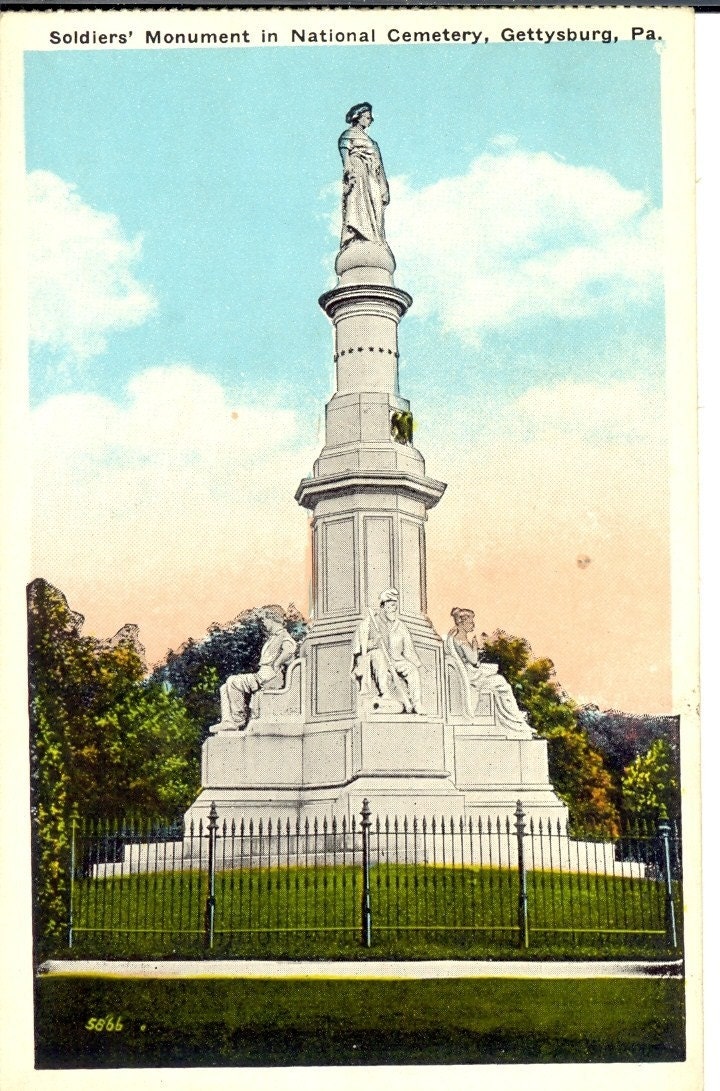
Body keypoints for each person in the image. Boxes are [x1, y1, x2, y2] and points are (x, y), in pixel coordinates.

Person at [447, 608, 529, 731]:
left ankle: (514, 716)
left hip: (473, 673)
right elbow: (474, 660)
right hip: (473, 677)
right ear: (463, 623)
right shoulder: (461, 640)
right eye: (470, 622)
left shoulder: (457, 638)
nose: (473, 624)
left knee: (499, 679)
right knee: (502, 683)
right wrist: (475, 646)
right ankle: (515, 718)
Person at [216, 607, 297, 730]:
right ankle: (228, 721)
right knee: (224, 687)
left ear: (272, 618)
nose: (263, 622)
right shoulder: (273, 637)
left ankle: (238, 720)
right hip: (262, 675)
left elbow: (290, 649)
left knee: (233, 681)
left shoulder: (283, 635)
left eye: (264, 619)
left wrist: (277, 663)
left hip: (268, 677)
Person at [352, 588, 425, 714]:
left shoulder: (400, 626)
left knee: (412, 670)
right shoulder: (369, 624)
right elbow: (358, 648)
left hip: (397, 661)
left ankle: (416, 704)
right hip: (378, 659)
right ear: (382, 606)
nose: (394, 609)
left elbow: (409, 651)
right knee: (379, 655)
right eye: (391, 605)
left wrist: (419, 665)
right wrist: (373, 643)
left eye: (395, 606)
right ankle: (385, 694)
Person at [338, 102, 390, 248]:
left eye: (370, 118)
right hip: (359, 172)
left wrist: (384, 187)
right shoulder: (348, 135)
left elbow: (380, 167)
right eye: (367, 117)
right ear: (358, 117)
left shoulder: (372, 142)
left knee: (376, 204)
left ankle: (375, 236)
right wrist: (349, 169)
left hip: (372, 176)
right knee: (358, 202)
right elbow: (346, 158)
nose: (370, 120)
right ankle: (357, 235)